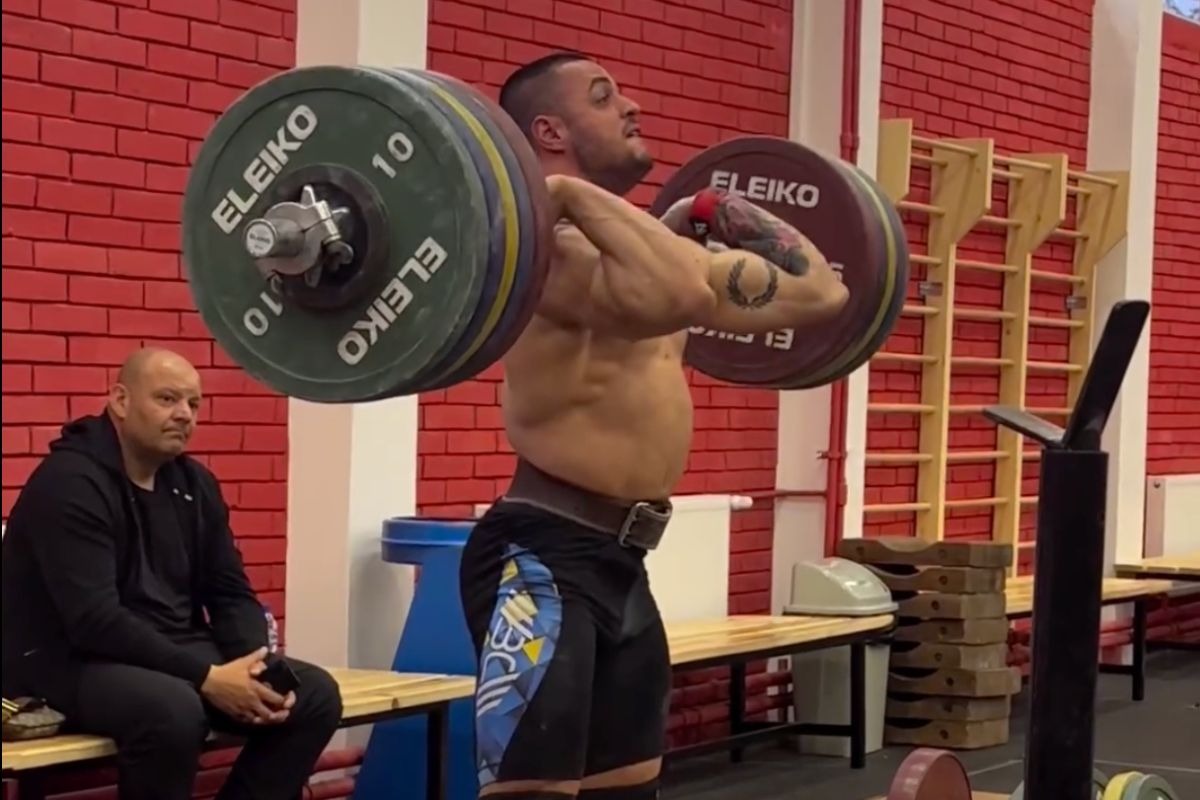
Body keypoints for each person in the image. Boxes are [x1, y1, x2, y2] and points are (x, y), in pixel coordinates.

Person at [459, 52, 851, 799]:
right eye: (605, 98)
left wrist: (714, 211)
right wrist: (569, 195)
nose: (632, 105)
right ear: (549, 129)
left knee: (627, 791)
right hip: (540, 561)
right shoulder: (546, 245)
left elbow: (821, 295)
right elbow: (672, 291)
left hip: (622, 564)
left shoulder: (637, 249)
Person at [1, 348, 342, 800]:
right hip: (62, 659)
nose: (184, 415)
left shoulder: (194, 485)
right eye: (167, 399)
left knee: (312, 694)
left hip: (166, 650)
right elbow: (94, 621)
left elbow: (229, 591)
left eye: (193, 404)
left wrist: (252, 668)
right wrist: (207, 677)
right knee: (171, 712)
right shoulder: (69, 483)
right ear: (120, 401)